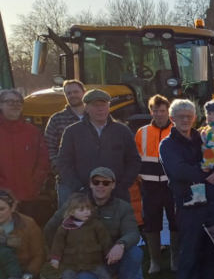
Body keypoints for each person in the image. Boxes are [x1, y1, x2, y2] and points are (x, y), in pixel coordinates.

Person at [44, 168, 152, 279]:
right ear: (90, 184)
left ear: (113, 185)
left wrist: (120, 245)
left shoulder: (123, 207)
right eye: (96, 182)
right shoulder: (74, 205)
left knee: (135, 253)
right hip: (85, 263)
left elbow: (132, 233)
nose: (100, 186)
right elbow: (50, 229)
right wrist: (63, 256)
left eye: (106, 182)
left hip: (111, 258)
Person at [158, 100, 214, 279]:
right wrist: (207, 171)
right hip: (188, 203)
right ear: (172, 119)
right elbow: (179, 170)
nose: (185, 119)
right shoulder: (168, 144)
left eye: (189, 115)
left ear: (195, 118)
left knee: (212, 247)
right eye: (180, 116)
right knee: (189, 248)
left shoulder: (206, 137)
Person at [57, 89, 141, 205]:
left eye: (103, 105)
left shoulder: (122, 131)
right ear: (86, 108)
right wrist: (79, 188)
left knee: (119, 223)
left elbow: (134, 161)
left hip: (117, 198)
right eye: (95, 105)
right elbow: (63, 163)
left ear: (109, 106)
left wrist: (121, 186)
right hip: (83, 199)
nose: (100, 108)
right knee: (78, 223)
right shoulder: (72, 132)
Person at [51, 193, 118, 279]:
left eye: (88, 208)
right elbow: (58, 244)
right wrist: (55, 257)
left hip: (94, 263)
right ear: (72, 212)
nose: (86, 212)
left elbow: (105, 241)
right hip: (71, 265)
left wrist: (109, 253)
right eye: (81, 210)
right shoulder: (64, 227)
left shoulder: (96, 225)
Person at [135, 95, 179, 275]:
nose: (159, 114)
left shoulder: (177, 130)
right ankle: (155, 261)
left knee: (176, 222)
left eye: (163, 111)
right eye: (156, 110)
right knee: (151, 223)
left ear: (168, 112)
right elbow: (135, 156)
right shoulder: (142, 132)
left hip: (172, 186)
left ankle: (174, 259)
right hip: (149, 186)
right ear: (150, 111)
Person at [0, 90, 50, 221]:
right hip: (2, 198)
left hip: (29, 195)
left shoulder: (31, 131)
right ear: (1, 105)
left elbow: (43, 158)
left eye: (19, 102)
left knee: (28, 234)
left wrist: (37, 180)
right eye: (10, 102)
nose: (15, 105)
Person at [0, 190, 44, 279]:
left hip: (23, 267)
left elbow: (39, 254)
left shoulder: (28, 223)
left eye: (2, 209)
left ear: (12, 207)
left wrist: (26, 277)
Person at [44, 80, 86, 190]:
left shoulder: (95, 117)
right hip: (66, 181)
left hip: (94, 180)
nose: (73, 95)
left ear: (84, 92)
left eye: (76, 92)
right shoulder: (57, 119)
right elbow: (49, 148)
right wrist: (61, 170)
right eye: (69, 93)